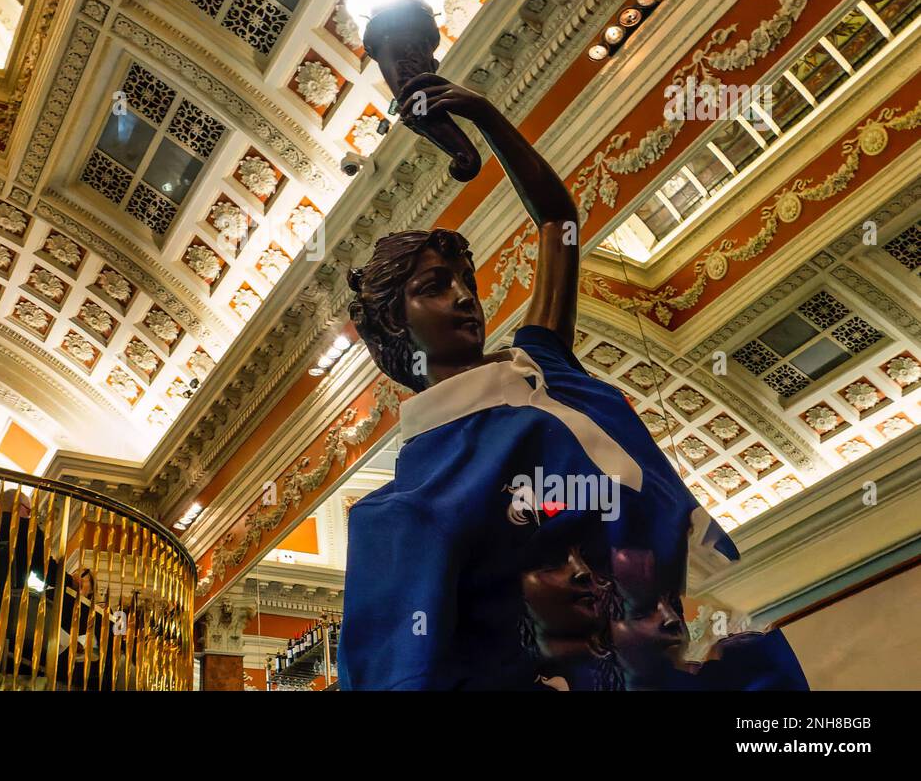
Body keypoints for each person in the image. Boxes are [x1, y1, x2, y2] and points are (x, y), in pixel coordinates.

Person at [336, 72, 806, 690]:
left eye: (462, 282)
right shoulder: (420, 490)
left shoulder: (539, 363)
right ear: (395, 328)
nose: (463, 299)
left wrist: (488, 116)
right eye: (432, 289)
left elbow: (558, 220)